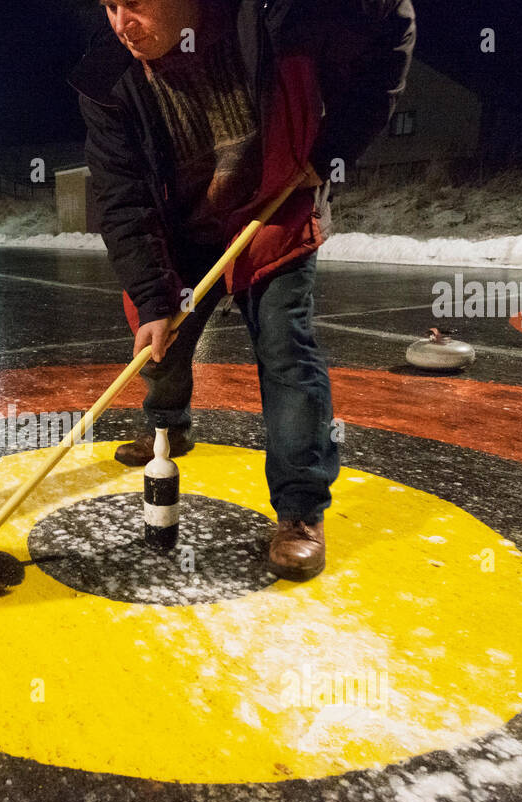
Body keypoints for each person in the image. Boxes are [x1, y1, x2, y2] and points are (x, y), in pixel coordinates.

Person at [70, 0, 414, 580]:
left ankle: (301, 509)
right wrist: (156, 300)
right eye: (109, 5)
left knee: (285, 349)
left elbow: (390, 23)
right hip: (180, 229)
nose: (121, 24)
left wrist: (335, 149)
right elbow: (121, 199)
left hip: (269, 210)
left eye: (136, 4)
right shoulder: (108, 81)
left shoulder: (276, 15)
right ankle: (168, 426)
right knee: (160, 340)